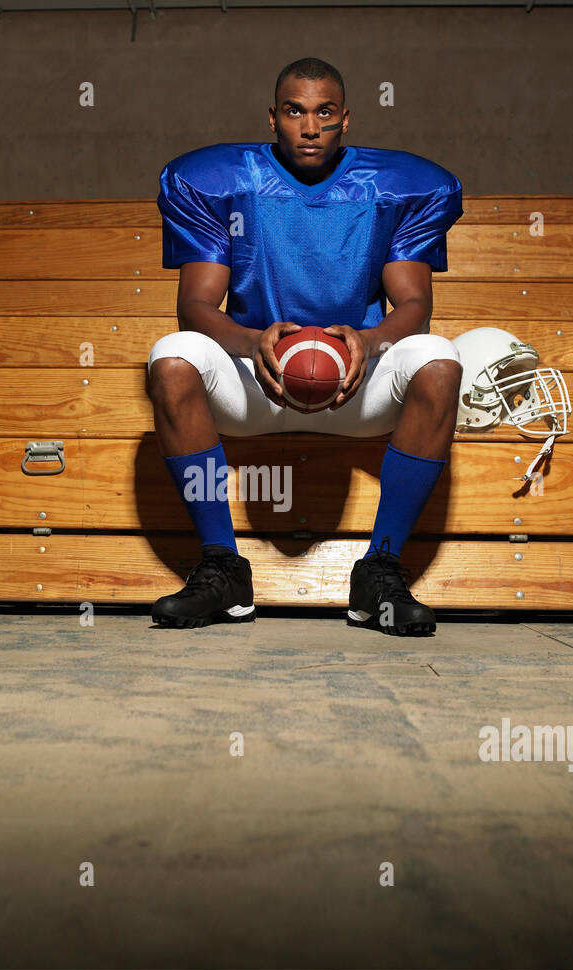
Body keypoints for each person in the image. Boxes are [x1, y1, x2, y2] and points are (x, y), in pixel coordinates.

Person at [147, 56, 464, 636]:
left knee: (441, 362)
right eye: (295, 111)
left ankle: (380, 572)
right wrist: (251, 339)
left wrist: (369, 340)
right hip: (256, 382)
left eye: (324, 113)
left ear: (347, 120)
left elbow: (415, 307)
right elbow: (194, 306)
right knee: (170, 358)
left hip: (354, 386)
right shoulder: (223, 181)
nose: (310, 128)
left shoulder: (395, 189)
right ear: (273, 118)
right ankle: (222, 567)